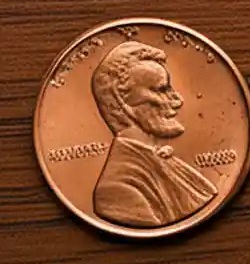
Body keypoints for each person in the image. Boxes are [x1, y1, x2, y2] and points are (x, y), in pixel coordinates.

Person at [90, 41, 216, 228]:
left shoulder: (165, 159)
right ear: (122, 100)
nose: (177, 100)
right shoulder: (118, 190)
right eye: (162, 89)